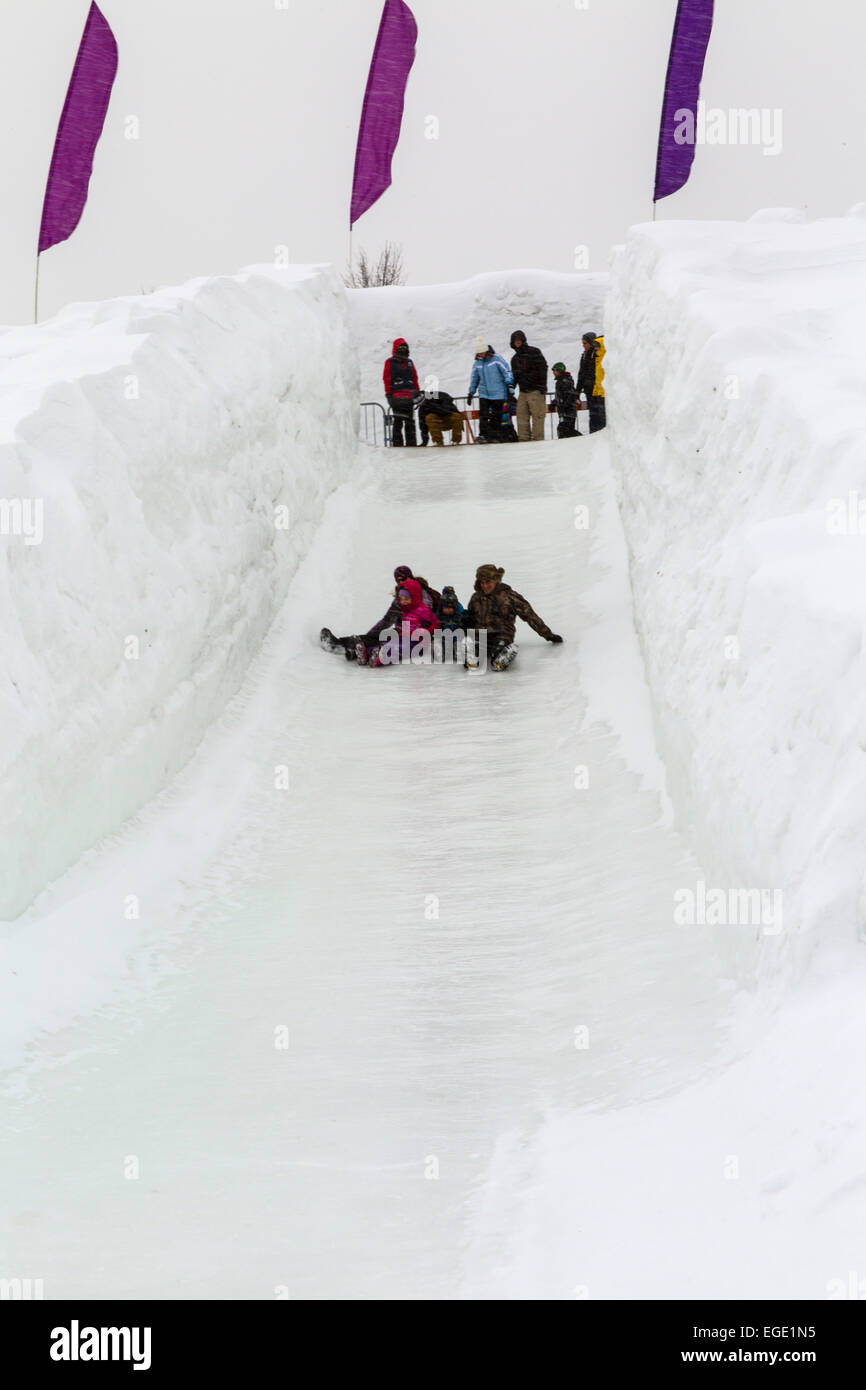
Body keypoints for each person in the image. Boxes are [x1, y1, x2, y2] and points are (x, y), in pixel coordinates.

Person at [464, 563, 562, 670]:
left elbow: (529, 615)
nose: (484, 585)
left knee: (497, 654)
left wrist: (548, 634)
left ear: (495, 580)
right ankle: (472, 659)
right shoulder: (476, 597)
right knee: (473, 652)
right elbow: (470, 618)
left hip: (502, 634)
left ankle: (503, 655)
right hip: (480, 636)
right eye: (481, 582)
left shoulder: (509, 596)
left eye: (488, 582)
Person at [320, 564, 422, 661]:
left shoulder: (413, 595)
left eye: (403, 579)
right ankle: (351, 648)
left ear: (410, 577)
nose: (401, 583)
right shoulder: (408, 593)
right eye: (398, 581)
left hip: (413, 636)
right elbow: (387, 620)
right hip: (406, 633)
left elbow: (387, 621)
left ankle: (347, 647)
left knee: (384, 640)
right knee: (381, 637)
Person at [365, 578, 440, 667]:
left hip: (418, 643)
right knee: (388, 644)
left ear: (415, 597)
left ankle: (380, 659)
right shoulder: (406, 610)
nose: (403, 601)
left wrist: (425, 631)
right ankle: (367, 653)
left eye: (406, 599)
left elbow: (436, 624)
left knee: (397, 649)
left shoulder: (423, 610)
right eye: (401, 599)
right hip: (404, 637)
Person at [467, 339, 513, 444]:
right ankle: (483, 435)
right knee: (483, 415)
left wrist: (509, 384)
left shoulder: (497, 359)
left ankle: (495, 435)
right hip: (484, 394)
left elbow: (506, 372)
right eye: (479, 353)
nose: (481, 355)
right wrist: (471, 392)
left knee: (496, 416)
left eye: (482, 352)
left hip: (498, 393)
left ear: (487, 351)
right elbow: (474, 378)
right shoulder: (477, 363)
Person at [509, 330, 548, 442]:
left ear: (523, 340)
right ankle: (524, 441)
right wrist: (511, 389)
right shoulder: (515, 359)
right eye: (515, 341)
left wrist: (542, 387)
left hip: (536, 390)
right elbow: (515, 376)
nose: (517, 342)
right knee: (521, 418)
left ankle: (537, 441)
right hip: (523, 392)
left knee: (538, 418)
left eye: (519, 340)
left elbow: (543, 369)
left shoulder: (534, 352)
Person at [383, 338, 420, 446]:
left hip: (409, 397)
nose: (403, 349)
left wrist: (417, 392)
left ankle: (411, 445)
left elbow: (414, 378)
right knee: (398, 422)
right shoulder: (389, 362)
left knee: (410, 422)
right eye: (401, 347)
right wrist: (389, 395)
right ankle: (398, 446)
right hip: (397, 397)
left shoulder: (410, 362)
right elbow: (387, 378)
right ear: (396, 348)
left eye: (405, 347)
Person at [576, 332, 606, 433]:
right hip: (589, 390)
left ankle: (598, 433)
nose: (583, 345)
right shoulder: (584, 356)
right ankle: (593, 434)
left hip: (597, 389)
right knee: (593, 414)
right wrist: (578, 391)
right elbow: (581, 374)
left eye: (585, 343)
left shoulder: (598, 354)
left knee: (599, 414)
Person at [549, 362, 578, 437]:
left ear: (559, 371)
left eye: (554, 370)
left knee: (565, 430)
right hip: (564, 412)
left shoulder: (565, 381)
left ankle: (582, 439)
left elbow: (569, 395)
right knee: (564, 430)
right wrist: (554, 403)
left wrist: (564, 406)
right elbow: (560, 396)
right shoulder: (561, 381)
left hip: (568, 412)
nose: (553, 373)